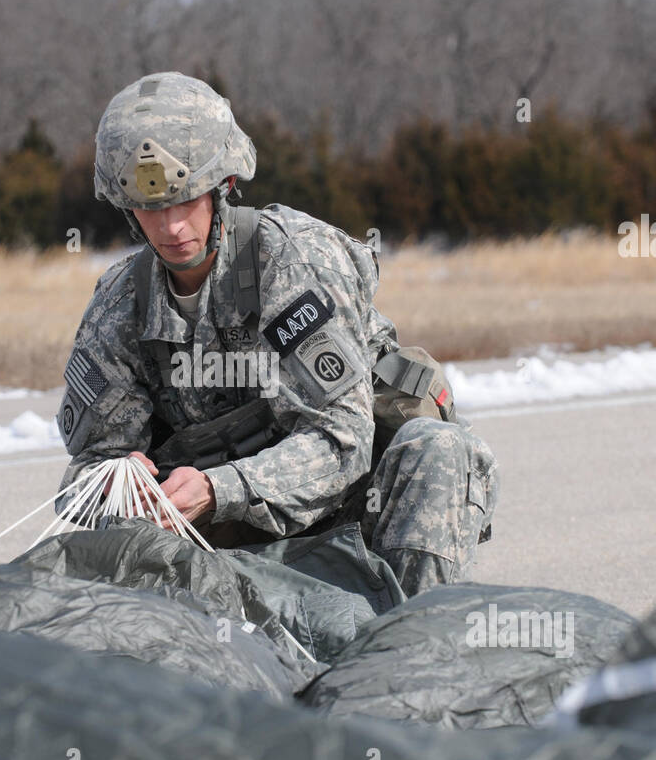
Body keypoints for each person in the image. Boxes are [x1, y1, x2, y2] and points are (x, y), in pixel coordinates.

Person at [55, 71, 497, 596]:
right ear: (127, 208)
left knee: (437, 449)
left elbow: (343, 440)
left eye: (187, 199)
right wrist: (117, 483)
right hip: (218, 555)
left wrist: (221, 489)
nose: (172, 228)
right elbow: (82, 480)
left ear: (224, 187)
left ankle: (414, 645)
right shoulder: (119, 306)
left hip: (353, 519)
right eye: (152, 208)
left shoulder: (292, 260)